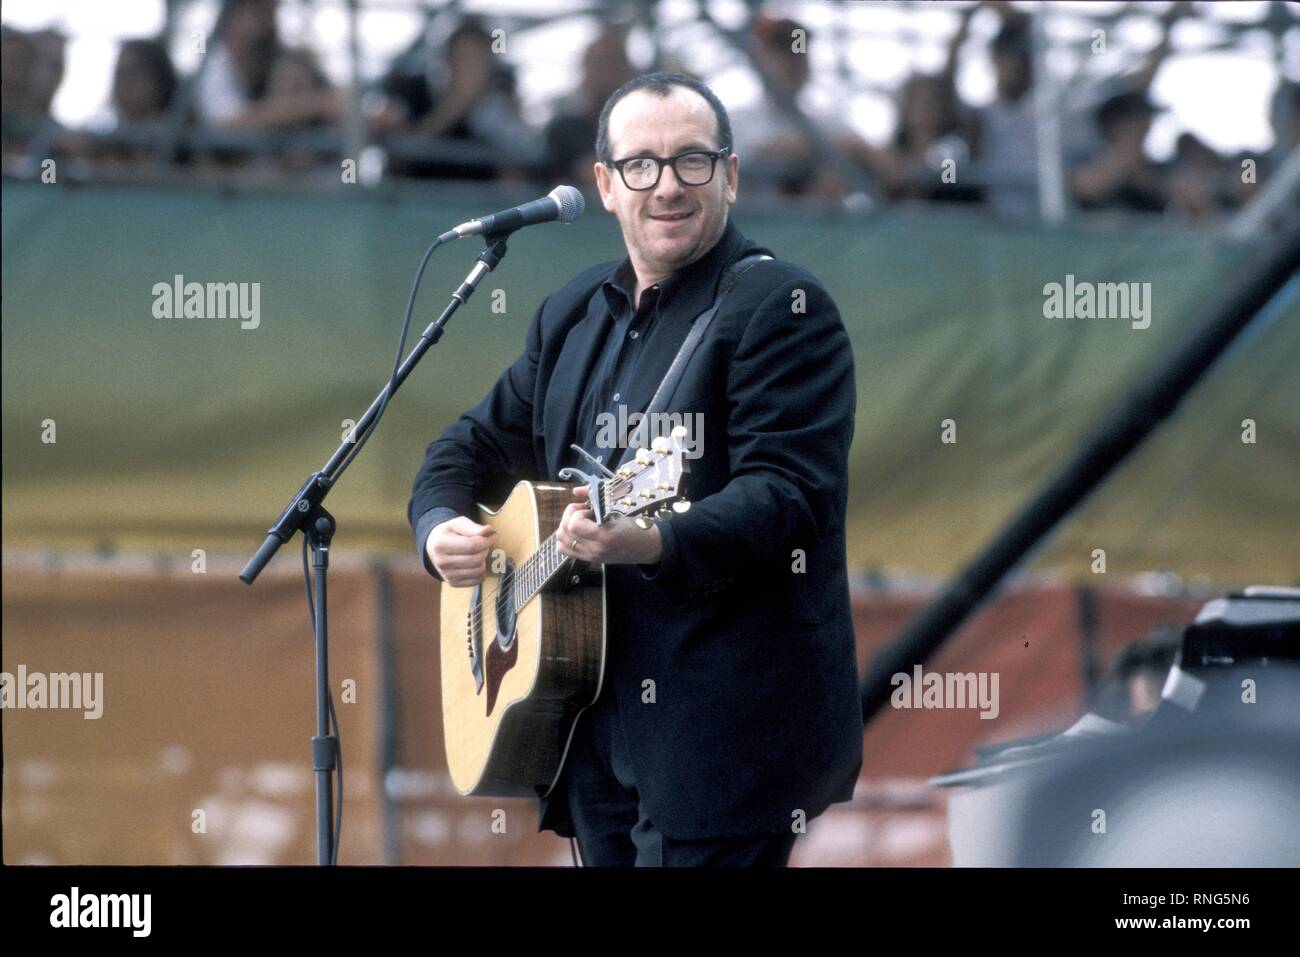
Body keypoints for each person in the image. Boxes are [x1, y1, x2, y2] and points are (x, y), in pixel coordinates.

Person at [408, 72, 864, 867]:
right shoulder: (573, 314)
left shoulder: (781, 308)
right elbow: (465, 448)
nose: (666, 186)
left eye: (691, 162)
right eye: (641, 165)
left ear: (729, 174)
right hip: (586, 715)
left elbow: (788, 496)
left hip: (723, 733)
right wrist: (437, 525)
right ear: (605, 185)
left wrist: (645, 542)